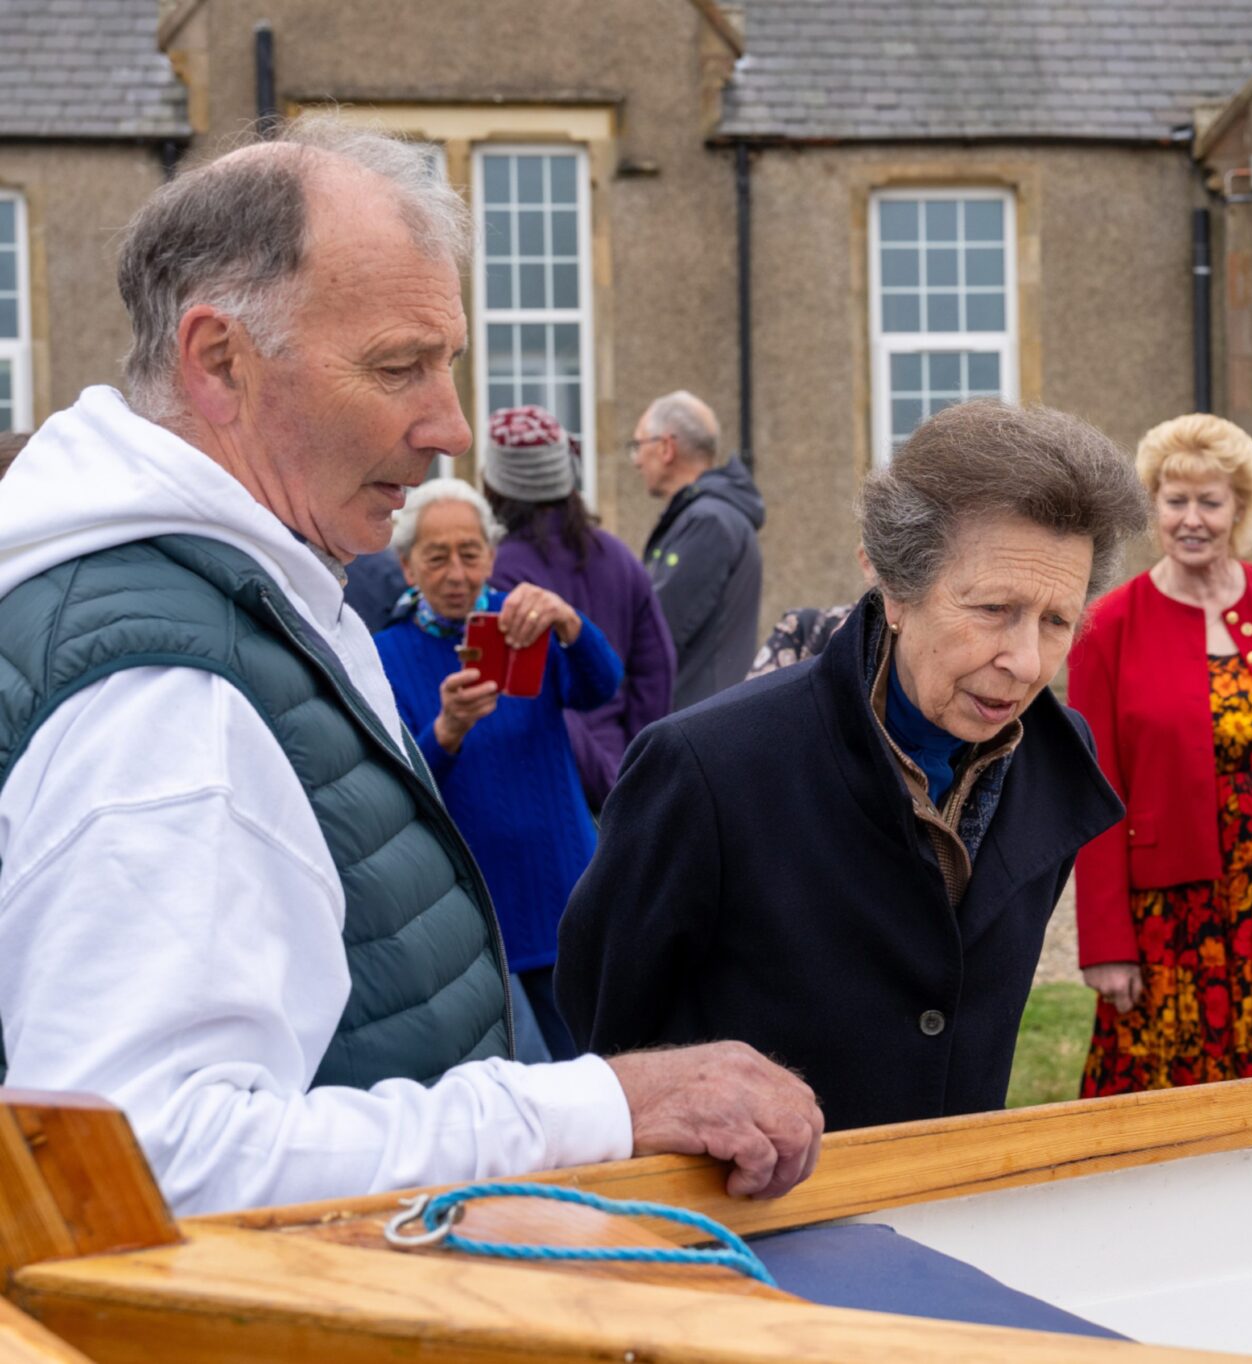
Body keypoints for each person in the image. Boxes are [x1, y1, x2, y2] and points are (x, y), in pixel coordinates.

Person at [0, 118, 821, 1216]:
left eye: (447, 365)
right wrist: (593, 1106)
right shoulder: (163, 695)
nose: (448, 425)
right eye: (399, 365)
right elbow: (149, 1161)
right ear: (217, 362)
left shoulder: (215, 591)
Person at [558, 400, 1150, 1131]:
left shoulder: (1056, 761)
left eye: (1056, 621)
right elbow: (606, 1032)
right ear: (895, 588)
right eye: (995, 608)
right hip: (751, 1224)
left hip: (949, 1213)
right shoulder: (707, 768)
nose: (1026, 662)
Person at [1070, 413, 1252, 1093]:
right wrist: (1104, 944)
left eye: (1209, 502)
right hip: (1172, 922)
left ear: (1239, 509)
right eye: (1174, 500)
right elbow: (1092, 793)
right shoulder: (1108, 627)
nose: (1191, 519)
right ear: (1152, 507)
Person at [377, 478, 622, 1062]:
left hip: (564, 887)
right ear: (408, 568)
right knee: (523, 1090)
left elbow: (601, 687)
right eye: (437, 558)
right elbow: (398, 784)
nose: (457, 573)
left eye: (470, 553)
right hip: (475, 909)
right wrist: (447, 730)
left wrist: (570, 624)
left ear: (491, 556)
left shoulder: (522, 629)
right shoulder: (385, 654)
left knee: (595, 1065)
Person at [482, 405, 676, 811]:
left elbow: (529, 700)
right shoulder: (619, 557)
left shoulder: (500, 577)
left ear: (495, 486)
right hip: (629, 770)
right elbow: (657, 671)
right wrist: (635, 767)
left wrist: (604, 778)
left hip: (554, 785)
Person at [629, 391, 764, 710]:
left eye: (639, 445)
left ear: (666, 447)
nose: (635, 461)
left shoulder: (707, 523)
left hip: (699, 728)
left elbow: (658, 631)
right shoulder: (704, 517)